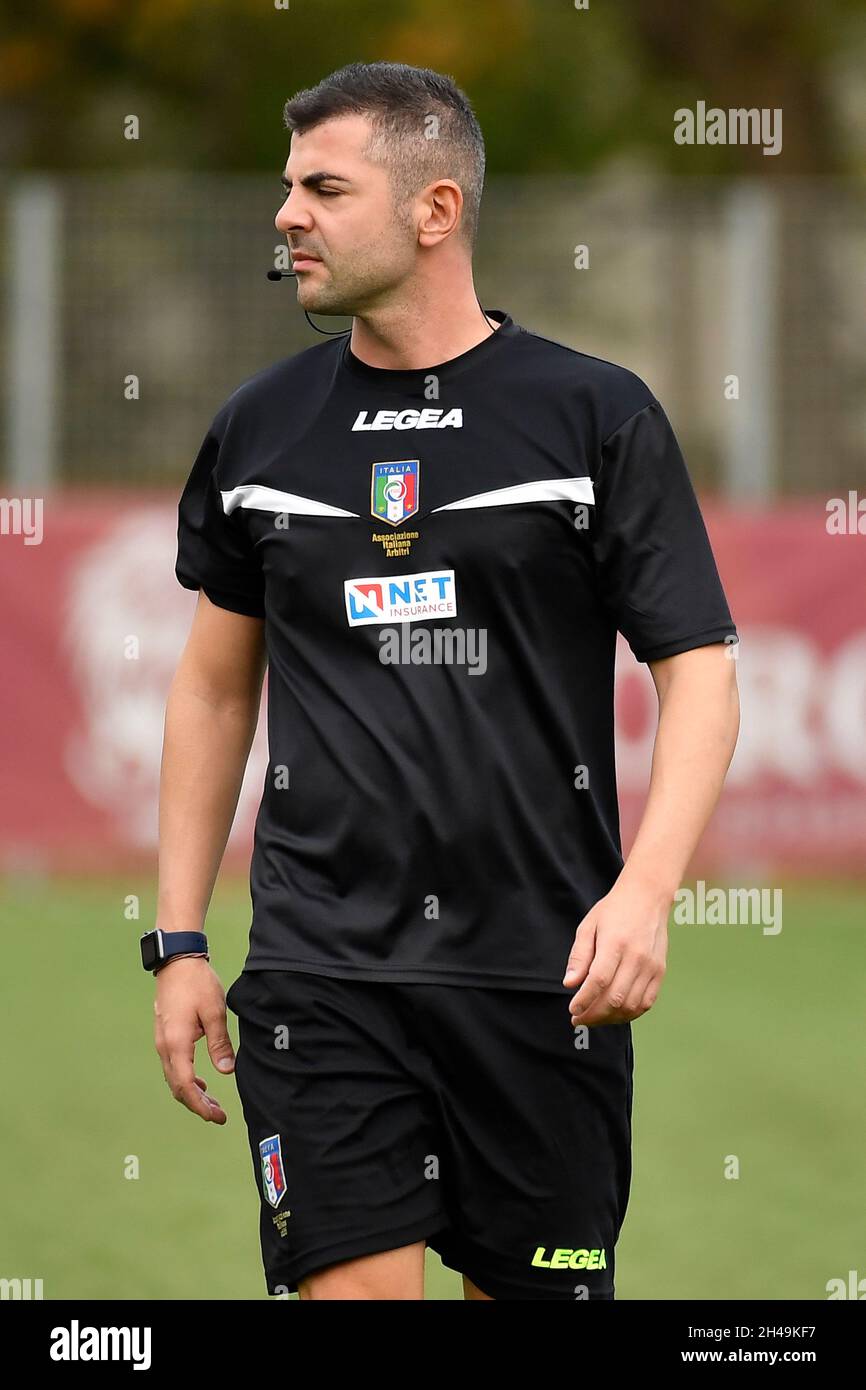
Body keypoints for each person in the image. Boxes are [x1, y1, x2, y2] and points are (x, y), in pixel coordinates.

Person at [148, 61, 740, 1301]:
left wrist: (644, 893)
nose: (285, 215)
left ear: (433, 210)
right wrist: (181, 940)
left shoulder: (593, 416)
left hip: (544, 978)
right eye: (284, 187)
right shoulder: (259, 428)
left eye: (323, 187)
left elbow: (698, 669)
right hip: (322, 973)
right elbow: (212, 689)